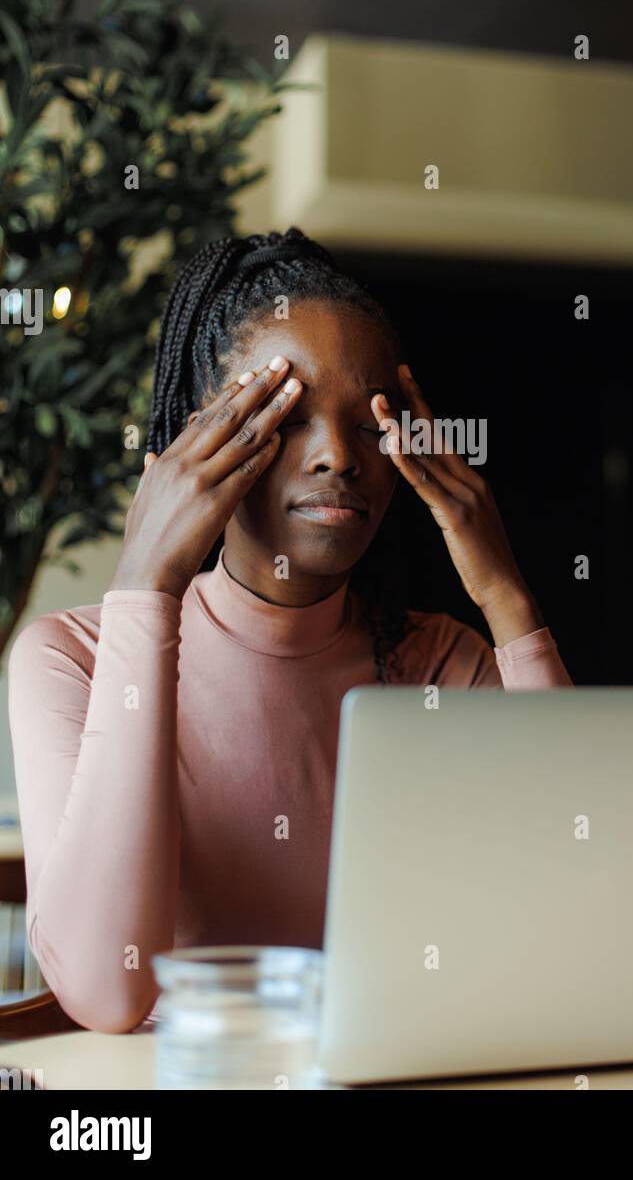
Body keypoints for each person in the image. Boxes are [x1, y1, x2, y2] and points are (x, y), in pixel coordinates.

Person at [8, 227, 572, 1032]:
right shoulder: (72, 659)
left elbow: (576, 920)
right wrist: (145, 585)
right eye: (290, 416)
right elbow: (107, 991)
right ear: (198, 443)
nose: (339, 455)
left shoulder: (443, 663)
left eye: (372, 425)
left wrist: (506, 596)